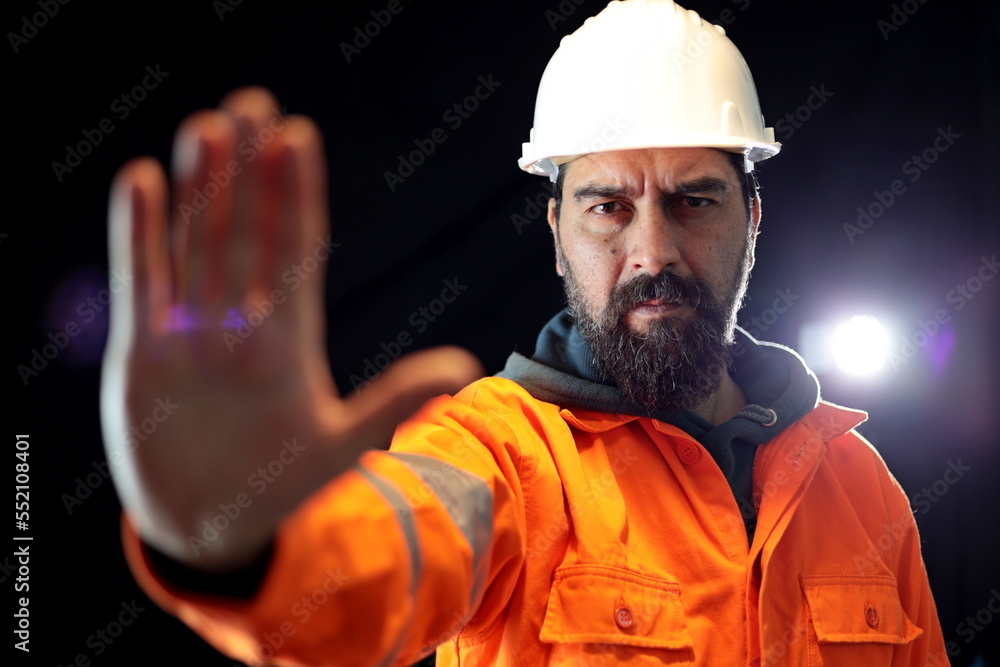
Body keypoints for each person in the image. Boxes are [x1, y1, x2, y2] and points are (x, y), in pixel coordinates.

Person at [102, 1, 946, 664]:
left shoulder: (859, 484)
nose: (652, 250)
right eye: (607, 206)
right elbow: (396, 550)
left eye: (694, 199)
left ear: (752, 219)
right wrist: (251, 549)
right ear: (556, 235)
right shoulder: (494, 454)